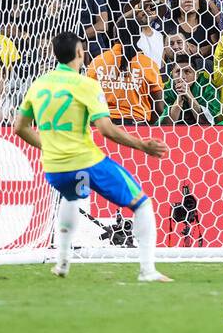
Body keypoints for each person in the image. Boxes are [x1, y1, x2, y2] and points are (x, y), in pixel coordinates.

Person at [13, 31, 172, 282]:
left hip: (54, 169)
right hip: (85, 163)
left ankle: (62, 263)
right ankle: (148, 270)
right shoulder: (86, 85)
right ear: (79, 53)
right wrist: (143, 146)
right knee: (142, 204)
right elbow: (107, 130)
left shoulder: (39, 84)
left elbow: (19, 128)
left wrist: (51, 146)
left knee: (71, 196)